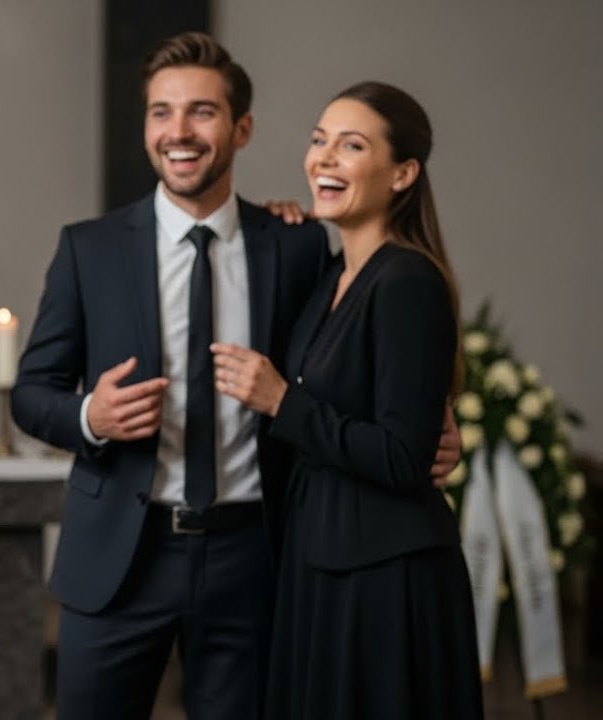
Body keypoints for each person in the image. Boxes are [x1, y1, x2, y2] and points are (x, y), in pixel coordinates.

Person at [11, 33, 459, 720]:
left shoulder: (302, 244)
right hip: (119, 562)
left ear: (241, 127)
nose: (178, 132)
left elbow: (368, 362)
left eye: (202, 112)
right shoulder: (88, 249)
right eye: (161, 112)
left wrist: (440, 419)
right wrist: (87, 418)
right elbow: (32, 393)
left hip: (257, 558)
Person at [212, 81, 483, 719]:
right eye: (318, 141)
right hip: (321, 561)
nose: (324, 158)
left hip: (383, 579)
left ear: (402, 173)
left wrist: (282, 401)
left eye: (351, 145)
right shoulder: (334, 275)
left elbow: (400, 457)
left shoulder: (407, 281)